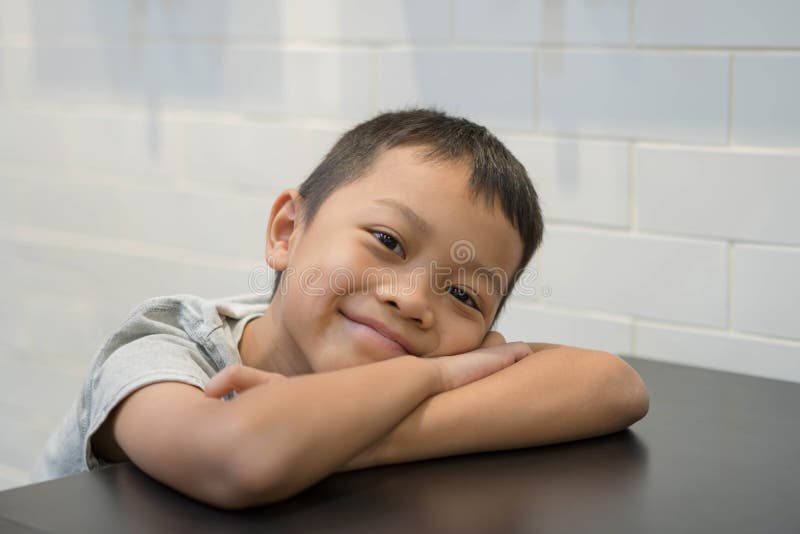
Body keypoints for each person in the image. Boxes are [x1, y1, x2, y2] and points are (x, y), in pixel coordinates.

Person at [31, 109, 649, 510]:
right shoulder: (164, 344)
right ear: (286, 232)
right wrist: (427, 377)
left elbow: (614, 385)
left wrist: (332, 439)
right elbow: (237, 457)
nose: (411, 300)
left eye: (464, 295)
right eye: (387, 241)